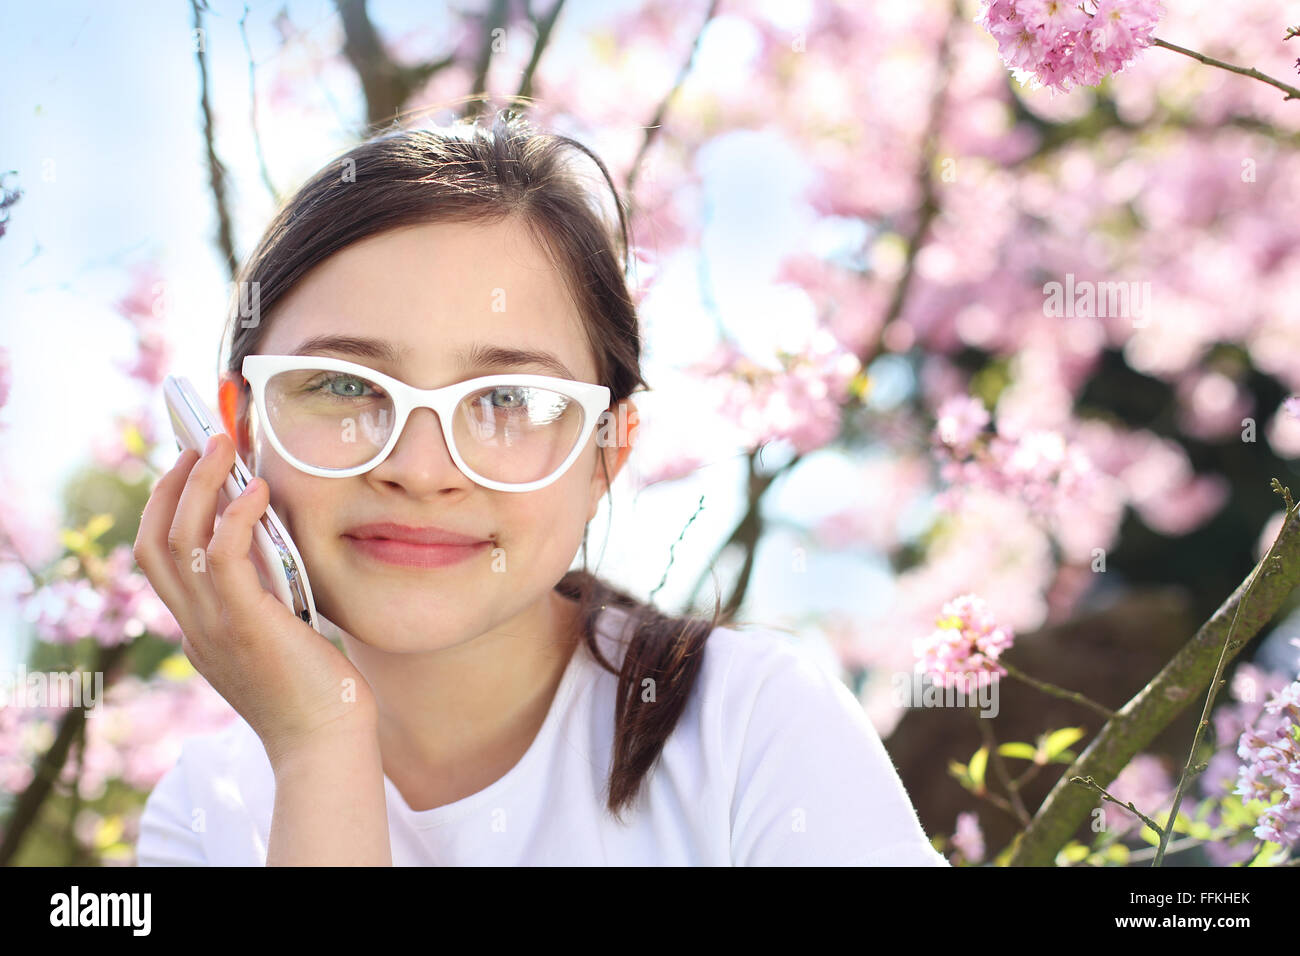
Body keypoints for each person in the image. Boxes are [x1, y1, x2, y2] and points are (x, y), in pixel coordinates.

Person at [133, 109, 947, 866]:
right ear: (238, 432)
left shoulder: (756, 729)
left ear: (605, 456)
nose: (420, 469)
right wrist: (320, 746)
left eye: (509, 400)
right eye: (346, 387)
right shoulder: (210, 810)